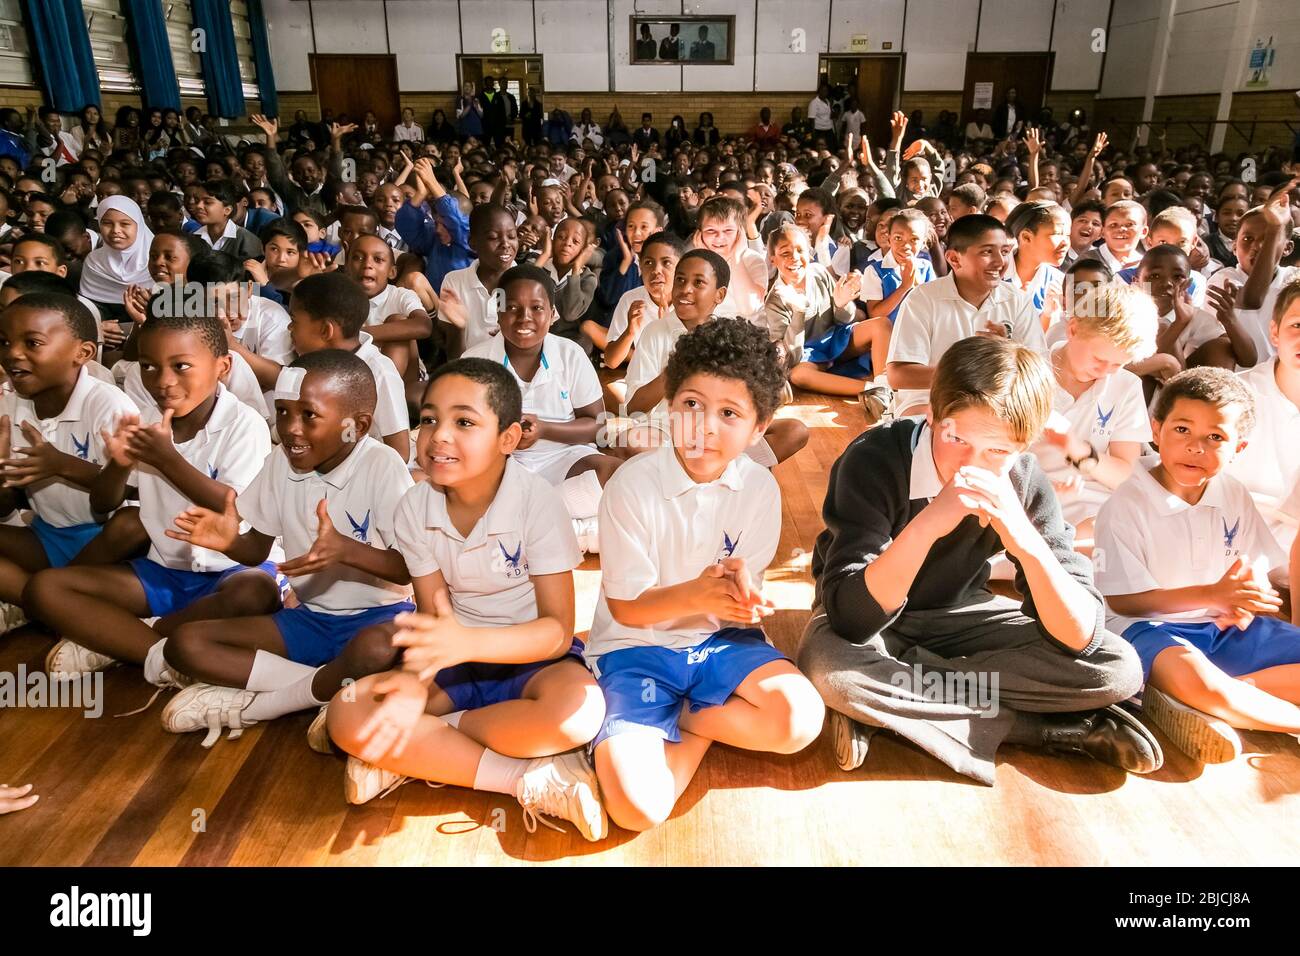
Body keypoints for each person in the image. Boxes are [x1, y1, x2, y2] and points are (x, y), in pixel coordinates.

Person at [800, 335, 1158, 785]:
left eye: (998, 451)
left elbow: (1081, 638)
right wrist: (930, 521)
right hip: (871, 622)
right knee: (833, 672)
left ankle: (897, 707)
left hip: (960, 614)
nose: (971, 462)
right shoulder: (873, 458)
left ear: (1024, 447)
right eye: (956, 438)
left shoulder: (1024, 481)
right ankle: (1048, 730)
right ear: (931, 414)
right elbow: (852, 618)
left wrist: (1022, 537)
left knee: (1116, 667)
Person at [325, 358, 608, 839]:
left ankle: (420, 751)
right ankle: (526, 779)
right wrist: (416, 680)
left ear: (508, 439)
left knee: (578, 716)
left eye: (464, 422)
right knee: (346, 711)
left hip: (532, 659)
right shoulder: (414, 508)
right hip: (452, 662)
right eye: (429, 418)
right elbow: (436, 615)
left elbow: (557, 632)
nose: (439, 435)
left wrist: (463, 647)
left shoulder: (537, 503)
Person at [589, 317, 824, 831]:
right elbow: (628, 608)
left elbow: (744, 595)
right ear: (669, 406)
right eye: (691, 404)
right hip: (634, 649)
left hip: (719, 643)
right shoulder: (631, 486)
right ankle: (697, 720)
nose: (704, 426)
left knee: (800, 720)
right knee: (637, 810)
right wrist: (699, 593)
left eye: (729, 413)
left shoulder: (759, 489)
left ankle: (681, 716)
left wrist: (745, 596)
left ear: (759, 427)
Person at [157, 352, 417, 747]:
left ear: (358, 426)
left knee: (377, 648)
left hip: (379, 617)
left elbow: (407, 569)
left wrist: (346, 550)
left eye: (309, 415)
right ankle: (329, 692)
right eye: (281, 412)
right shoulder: (282, 461)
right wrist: (229, 542)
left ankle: (266, 705)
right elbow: (256, 548)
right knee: (184, 645)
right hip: (310, 620)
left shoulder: (383, 466)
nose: (290, 429)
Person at [28, 312, 281, 682]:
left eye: (181, 366)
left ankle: (126, 638)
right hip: (162, 569)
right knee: (45, 588)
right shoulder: (142, 419)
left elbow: (234, 508)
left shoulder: (245, 425)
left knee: (256, 597)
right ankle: (158, 654)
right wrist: (117, 464)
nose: (162, 381)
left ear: (222, 366)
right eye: (149, 366)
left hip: (232, 572)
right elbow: (103, 503)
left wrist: (167, 458)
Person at [1095, 368, 1300, 764]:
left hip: (1220, 630)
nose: (1196, 447)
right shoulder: (1125, 505)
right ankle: (1228, 703)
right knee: (1203, 685)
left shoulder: (1233, 493)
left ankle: (1220, 703)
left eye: (1216, 438)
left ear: (1238, 448)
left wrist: (1246, 593)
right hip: (1149, 630)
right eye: (1182, 430)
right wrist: (1213, 595)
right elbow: (1122, 601)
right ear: (1156, 430)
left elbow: (1260, 562)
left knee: (1216, 689)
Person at [0, 294, 136, 608]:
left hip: (107, 542)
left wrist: (61, 465)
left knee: (130, 524)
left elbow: (112, 500)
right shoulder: (10, 403)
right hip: (47, 534)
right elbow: (4, 504)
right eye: (4, 342)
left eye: (32, 343)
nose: (12, 354)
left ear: (83, 352)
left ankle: (47, 600)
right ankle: (39, 605)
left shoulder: (109, 405)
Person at [886, 214, 1045, 417]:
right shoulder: (923, 299)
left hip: (999, 403)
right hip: (930, 401)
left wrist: (1007, 351)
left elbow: (1038, 369)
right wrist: (973, 369)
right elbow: (899, 375)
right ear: (954, 259)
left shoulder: (1017, 300)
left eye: (1005, 252)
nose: (1000, 261)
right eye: (987, 252)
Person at [287, 272, 411, 461]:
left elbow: (400, 452)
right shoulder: (309, 364)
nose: (289, 328)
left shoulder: (379, 372)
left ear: (325, 330)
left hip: (364, 473)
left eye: (294, 320)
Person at [79, 196, 154, 324]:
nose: (115, 231)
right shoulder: (94, 262)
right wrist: (98, 327)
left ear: (139, 226)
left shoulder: (158, 262)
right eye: (107, 223)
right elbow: (88, 307)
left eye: (125, 224)